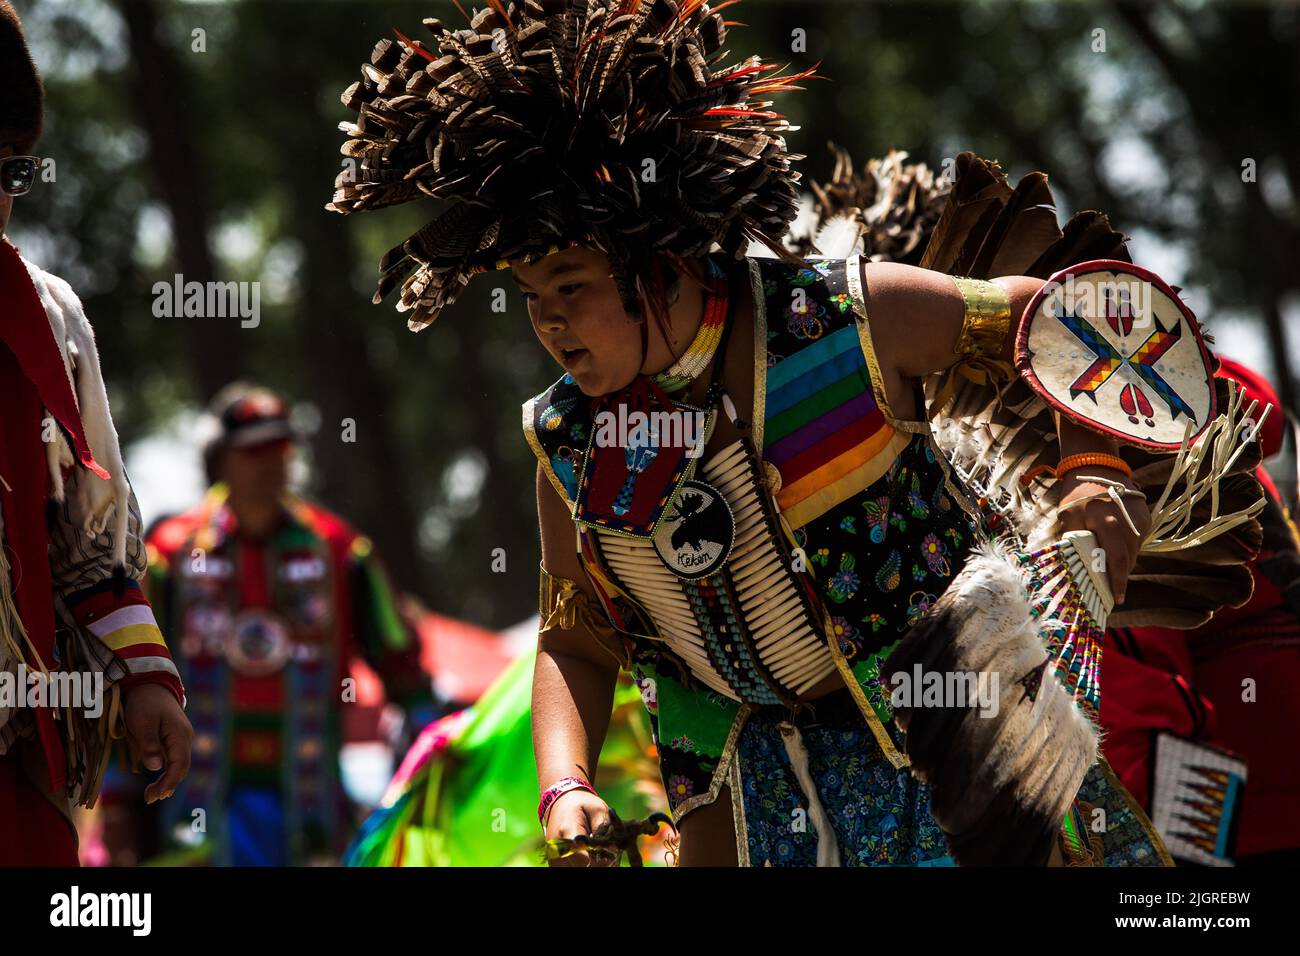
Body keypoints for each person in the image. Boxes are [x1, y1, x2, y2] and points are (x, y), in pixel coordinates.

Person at [327, 1, 1260, 866]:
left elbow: (1056, 325)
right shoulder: (566, 444)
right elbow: (574, 639)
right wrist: (564, 785)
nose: (550, 325)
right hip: (743, 775)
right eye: (531, 299)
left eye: (570, 286)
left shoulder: (849, 319)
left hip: (960, 722)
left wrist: (1092, 472)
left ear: (657, 259)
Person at [0, 0, 191, 866]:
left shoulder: (50, 316)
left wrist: (145, 675)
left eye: (9, 171)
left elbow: (87, 536)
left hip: (14, 758)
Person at [106, 383, 437, 865]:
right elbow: (130, 678)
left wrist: (437, 752)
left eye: (282, 448)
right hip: (193, 803)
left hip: (309, 806)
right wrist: (117, 797)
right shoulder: (171, 554)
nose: (272, 463)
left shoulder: (337, 549)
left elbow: (404, 669)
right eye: (254, 450)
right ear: (220, 459)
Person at [1102, 358, 1300, 866]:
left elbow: (1140, 686)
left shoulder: (1117, 434)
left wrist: (1176, 856)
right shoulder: (1200, 406)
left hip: (1249, 821)